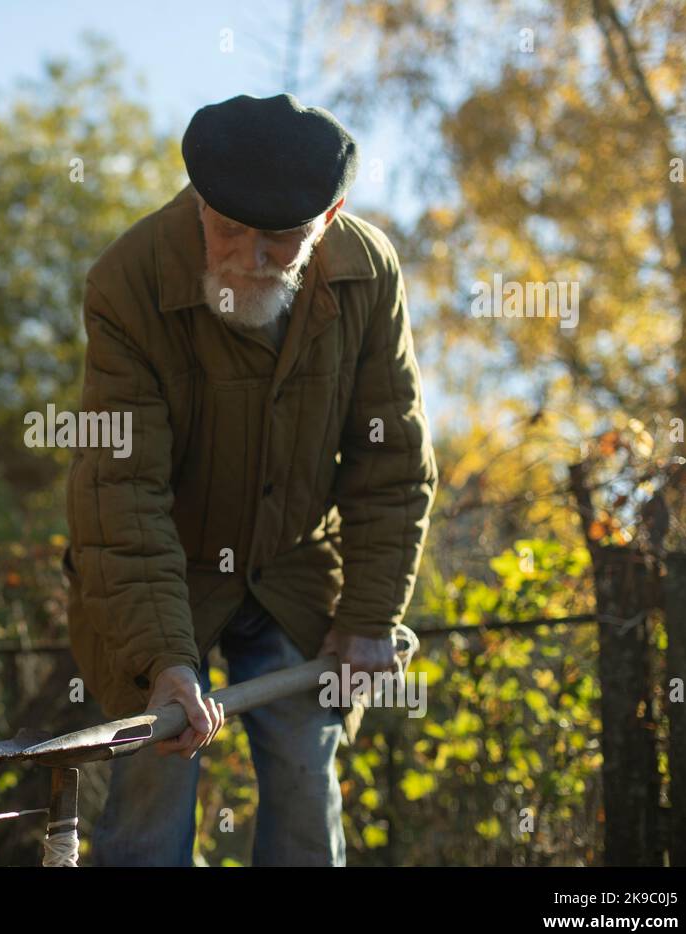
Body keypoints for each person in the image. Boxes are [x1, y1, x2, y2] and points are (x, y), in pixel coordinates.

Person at [62, 93, 438, 865]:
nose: (248, 258)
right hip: (165, 579)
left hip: (295, 570)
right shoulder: (126, 284)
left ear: (329, 217)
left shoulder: (368, 274)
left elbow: (391, 460)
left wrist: (368, 617)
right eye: (228, 227)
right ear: (200, 198)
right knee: (150, 793)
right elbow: (120, 493)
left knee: (306, 775)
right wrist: (164, 661)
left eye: (280, 241)